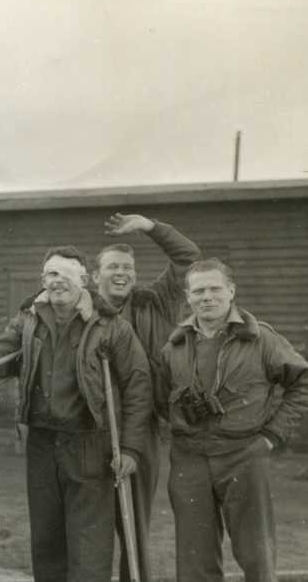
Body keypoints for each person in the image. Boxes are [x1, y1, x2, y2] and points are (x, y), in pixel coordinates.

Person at [0, 245, 152, 582]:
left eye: (64, 274)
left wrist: (131, 448)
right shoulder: (30, 319)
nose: (55, 282)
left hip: (89, 441)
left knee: (89, 542)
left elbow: (138, 385)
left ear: (83, 279)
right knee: (46, 539)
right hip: (43, 441)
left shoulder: (111, 326)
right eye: (49, 274)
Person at [161, 259, 308, 582]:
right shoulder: (174, 346)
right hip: (189, 458)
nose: (207, 296)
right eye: (199, 290)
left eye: (215, 288)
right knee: (194, 559)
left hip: (243, 455)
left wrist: (272, 435)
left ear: (231, 291)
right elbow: (161, 396)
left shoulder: (259, 338)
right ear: (188, 297)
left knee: (256, 553)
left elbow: (307, 382)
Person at [95, 212, 201, 582]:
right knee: (90, 525)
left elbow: (189, 258)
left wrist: (149, 227)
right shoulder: (85, 312)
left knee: (135, 522)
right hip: (92, 427)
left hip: (142, 429)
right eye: (112, 267)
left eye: (127, 266)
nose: (121, 273)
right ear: (96, 277)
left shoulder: (156, 302)